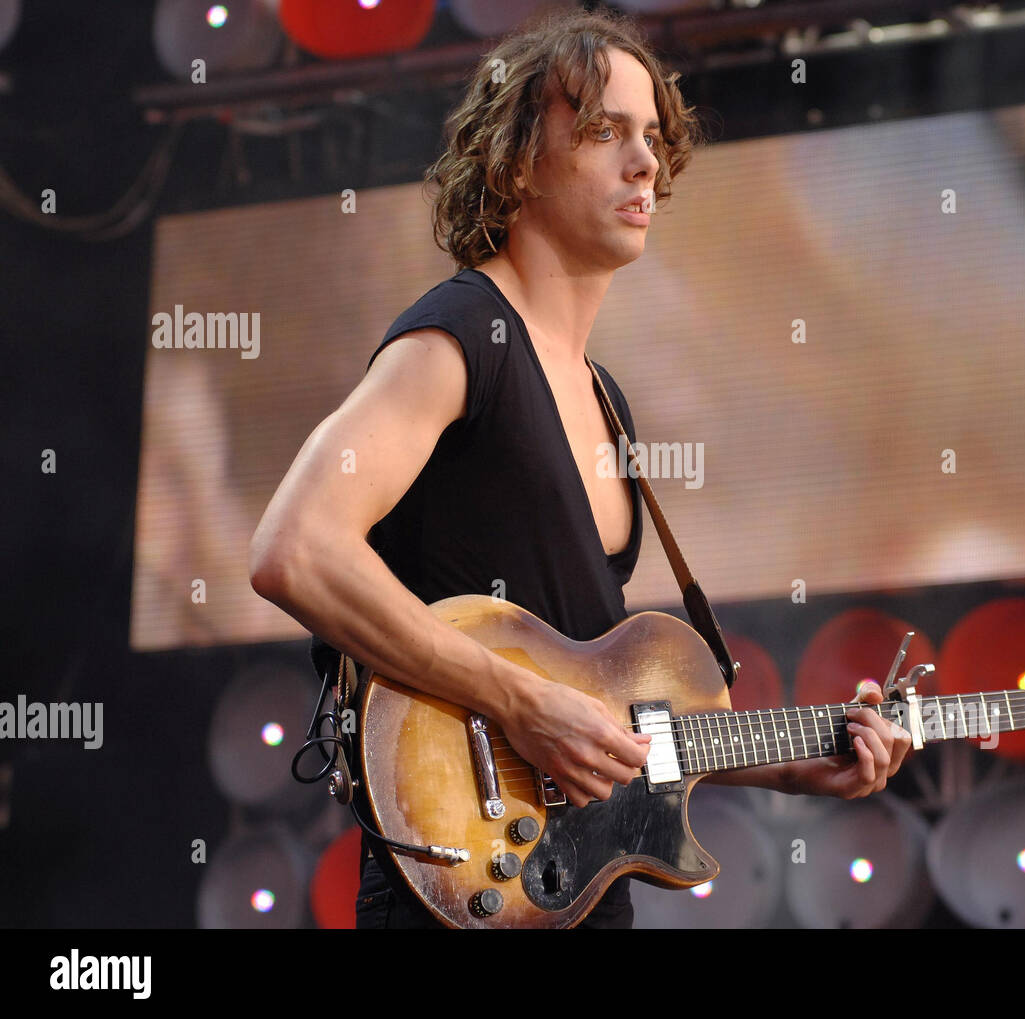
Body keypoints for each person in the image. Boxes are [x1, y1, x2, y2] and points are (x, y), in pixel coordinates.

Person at [248, 7, 910, 930]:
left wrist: (795, 761)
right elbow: (294, 548)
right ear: (517, 161)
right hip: (449, 891)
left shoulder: (605, 400)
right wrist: (521, 702)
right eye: (605, 133)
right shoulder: (461, 336)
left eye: (652, 138)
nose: (645, 164)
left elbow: (607, 714)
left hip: (576, 896)